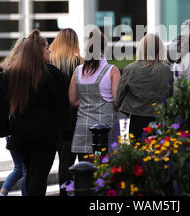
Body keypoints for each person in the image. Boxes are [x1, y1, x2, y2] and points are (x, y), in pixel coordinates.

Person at [0, 29, 70, 196]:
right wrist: (65, 130)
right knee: (39, 174)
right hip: (45, 133)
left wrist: (4, 130)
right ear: (39, 51)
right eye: (47, 48)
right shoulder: (52, 74)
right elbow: (62, 105)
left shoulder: (12, 74)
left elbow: (3, 105)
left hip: (20, 132)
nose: (50, 51)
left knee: (29, 171)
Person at [69, 29, 121, 160]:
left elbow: (72, 100)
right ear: (105, 49)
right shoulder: (112, 71)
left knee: (85, 168)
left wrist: (89, 103)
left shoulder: (78, 70)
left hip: (83, 128)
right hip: (104, 130)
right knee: (101, 168)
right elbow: (116, 101)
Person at [0, 37, 27, 196]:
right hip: (21, 123)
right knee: (27, 170)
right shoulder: (24, 73)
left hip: (9, 124)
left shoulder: (7, 71)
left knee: (19, 167)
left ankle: (2, 193)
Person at [116, 33, 173, 139]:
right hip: (159, 119)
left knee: (135, 151)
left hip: (135, 118)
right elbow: (171, 94)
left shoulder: (131, 69)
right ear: (160, 49)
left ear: (141, 48)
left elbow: (119, 96)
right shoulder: (167, 70)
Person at [49, 28, 82, 196]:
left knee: (62, 161)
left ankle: (64, 192)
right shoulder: (78, 63)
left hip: (52, 119)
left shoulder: (49, 61)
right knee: (70, 160)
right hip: (74, 117)